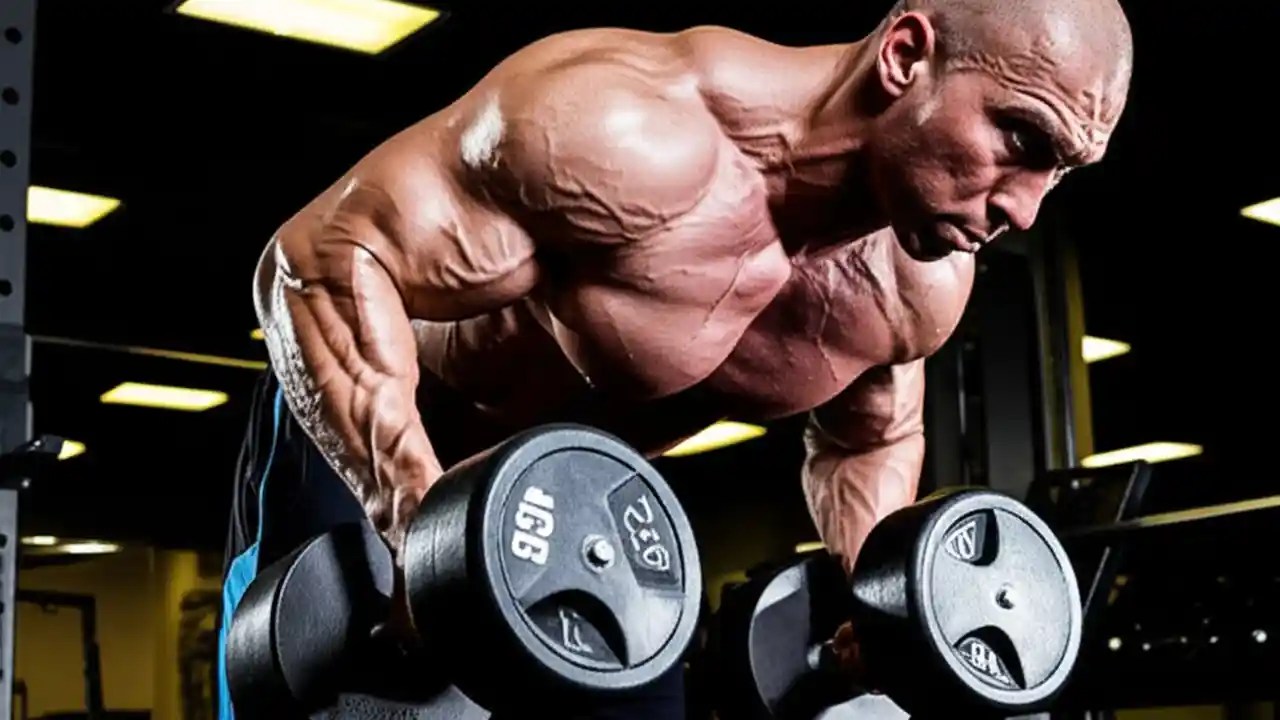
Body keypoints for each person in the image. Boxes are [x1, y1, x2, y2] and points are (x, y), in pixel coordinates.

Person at [219, 0, 1134, 716]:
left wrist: (872, 603)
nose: (1024, 210)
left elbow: (867, 441)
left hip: (591, 527)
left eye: (1059, 172)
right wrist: (419, 529)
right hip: (376, 442)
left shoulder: (919, 285)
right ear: (904, 56)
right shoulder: (625, 131)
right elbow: (324, 262)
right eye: (1021, 140)